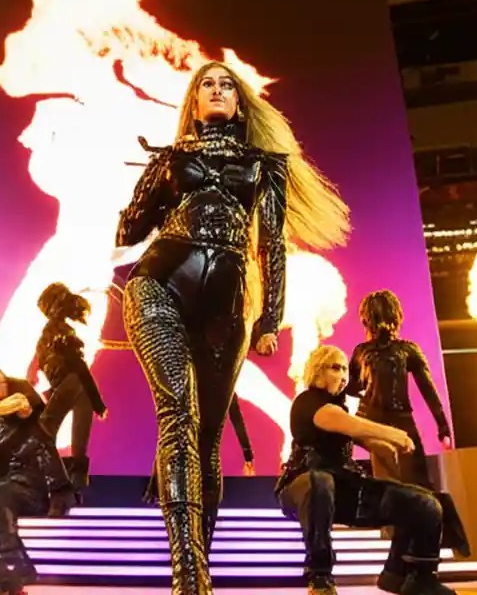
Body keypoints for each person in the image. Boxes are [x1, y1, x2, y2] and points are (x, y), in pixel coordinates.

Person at [117, 61, 349, 593]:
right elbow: (131, 230)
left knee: (207, 436)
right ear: (193, 103)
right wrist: (150, 180)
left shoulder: (263, 164)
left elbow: (270, 245)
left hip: (227, 306)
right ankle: (189, 578)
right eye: (206, 84)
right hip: (158, 284)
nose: (217, 90)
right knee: (178, 412)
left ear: (240, 104)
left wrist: (270, 318)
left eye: (226, 85)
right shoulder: (174, 158)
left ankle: (201, 561)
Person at [276, 346, 453, 595]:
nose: (344, 376)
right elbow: (345, 423)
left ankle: (407, 575)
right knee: (321, 481)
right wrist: (392, 434)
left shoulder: (341, 409)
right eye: (335, 368)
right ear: (317, 372)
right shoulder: (307, 402)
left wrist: (392, 448)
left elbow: (365, 439)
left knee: (425, 504)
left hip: (345, 489)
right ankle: (320, 577)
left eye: (345, 369)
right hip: (301, 488)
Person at [0, 365, 78, 595]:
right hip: (12, 483)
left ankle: (14, 565)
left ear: (5, 384)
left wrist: (59, 488)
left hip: (35, 483)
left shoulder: (22, 404)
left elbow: (25, 404)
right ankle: (4, 579)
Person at [347, 290, 452, 488]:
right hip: (381, 421)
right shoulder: (394, 350)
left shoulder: (369, 351)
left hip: (380, 419)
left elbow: (350, 389)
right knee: (408, 481)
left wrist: (443, 426)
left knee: (412, 481)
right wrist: (442, 426)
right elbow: (428, 390)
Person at [32, 282, 107, 489]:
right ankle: (72, 482)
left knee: (48, 430)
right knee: (76, 439)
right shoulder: (57, 331)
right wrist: (96, 401)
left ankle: (51, 478)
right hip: (73, 385)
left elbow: (78, 366)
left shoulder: (58, 331)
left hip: (72, 385)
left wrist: (96, 400)